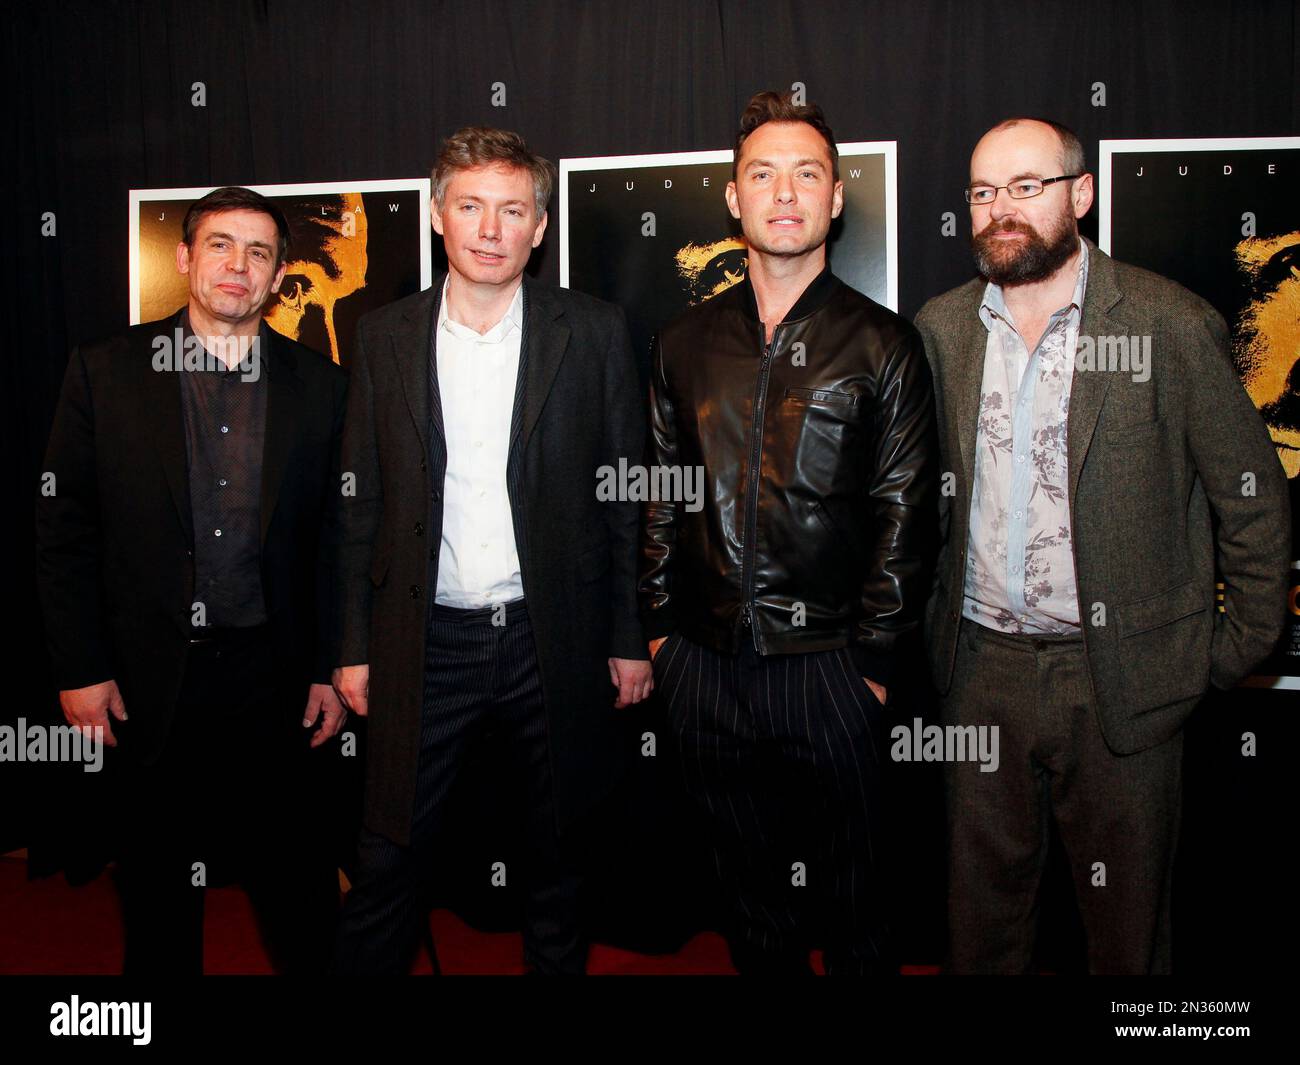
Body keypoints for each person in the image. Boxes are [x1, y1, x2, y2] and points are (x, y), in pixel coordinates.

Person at [916, 117, 1291, 974]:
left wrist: (1224, 655)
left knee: (1128, 940)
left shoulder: (1166, 323)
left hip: (1124, 683)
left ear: (1081, 195)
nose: (999, 209)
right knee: (980, 930)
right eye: (982, 192)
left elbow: (1255, 503)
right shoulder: (941, 331)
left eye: (1025, 187)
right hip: (981, 675)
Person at [331, 126, 649, 975]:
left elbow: (627, 496)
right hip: (426, 638)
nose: (490, 228)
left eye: (513, 210)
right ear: (439, 214)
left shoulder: (595, 330)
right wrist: (354, 647)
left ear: (540, 227)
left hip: (556, 635)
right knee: (388, 856)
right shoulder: (382, 336)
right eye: (470, 206)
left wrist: (628, 634)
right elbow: (357, 505)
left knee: (560, 857)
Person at [639, 91, 938, 975]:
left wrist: (872, 671)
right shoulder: (682, 342)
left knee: (857, 907)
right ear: (733, 198)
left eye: (806, 173)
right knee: (749, 903)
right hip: (704, 669)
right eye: (762, 173)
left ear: (835, 196)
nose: (784, 192)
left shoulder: (884, 345)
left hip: (834, 673)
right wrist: (661, 638)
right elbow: (658, 497)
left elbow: (906, 513)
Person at [36, 185, 348, 974]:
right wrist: (80, 667)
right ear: (184, 258)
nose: (237, 266)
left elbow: (341, 542)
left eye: (258, 252)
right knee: (157, 898)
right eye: (219, 245)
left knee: (301, 897)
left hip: (274, 679)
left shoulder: (324, 387)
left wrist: (331, 668)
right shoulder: (104, 373)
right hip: (149, 680)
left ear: (279, 275)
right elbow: (62, 531)